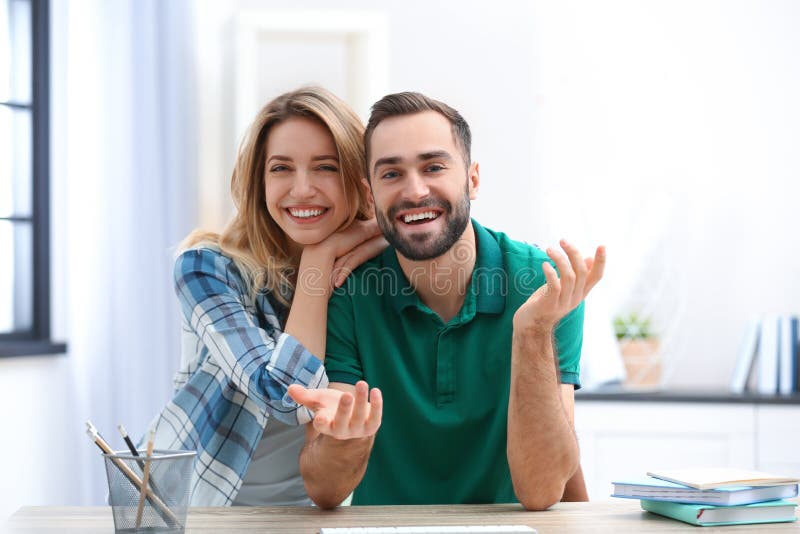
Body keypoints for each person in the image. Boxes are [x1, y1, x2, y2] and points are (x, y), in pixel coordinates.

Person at [288, 92, 606, 510]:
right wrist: (348, 438)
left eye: (434, 167)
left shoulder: (543, 286)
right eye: (391, 174)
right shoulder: (351, 292)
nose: (415, 190)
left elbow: (542, 491)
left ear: (472, 178)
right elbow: (324, 490)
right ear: (369, 194)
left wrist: (532, 332)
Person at [144, 86, 386, 506]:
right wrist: (318, 259)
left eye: (325, 167)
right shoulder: (207, 268)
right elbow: (288, 397)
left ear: (357, 178)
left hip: (334, 512)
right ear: (259, 181)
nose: (302, 189)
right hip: (212, 511)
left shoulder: (374, 274)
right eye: (281, 169)